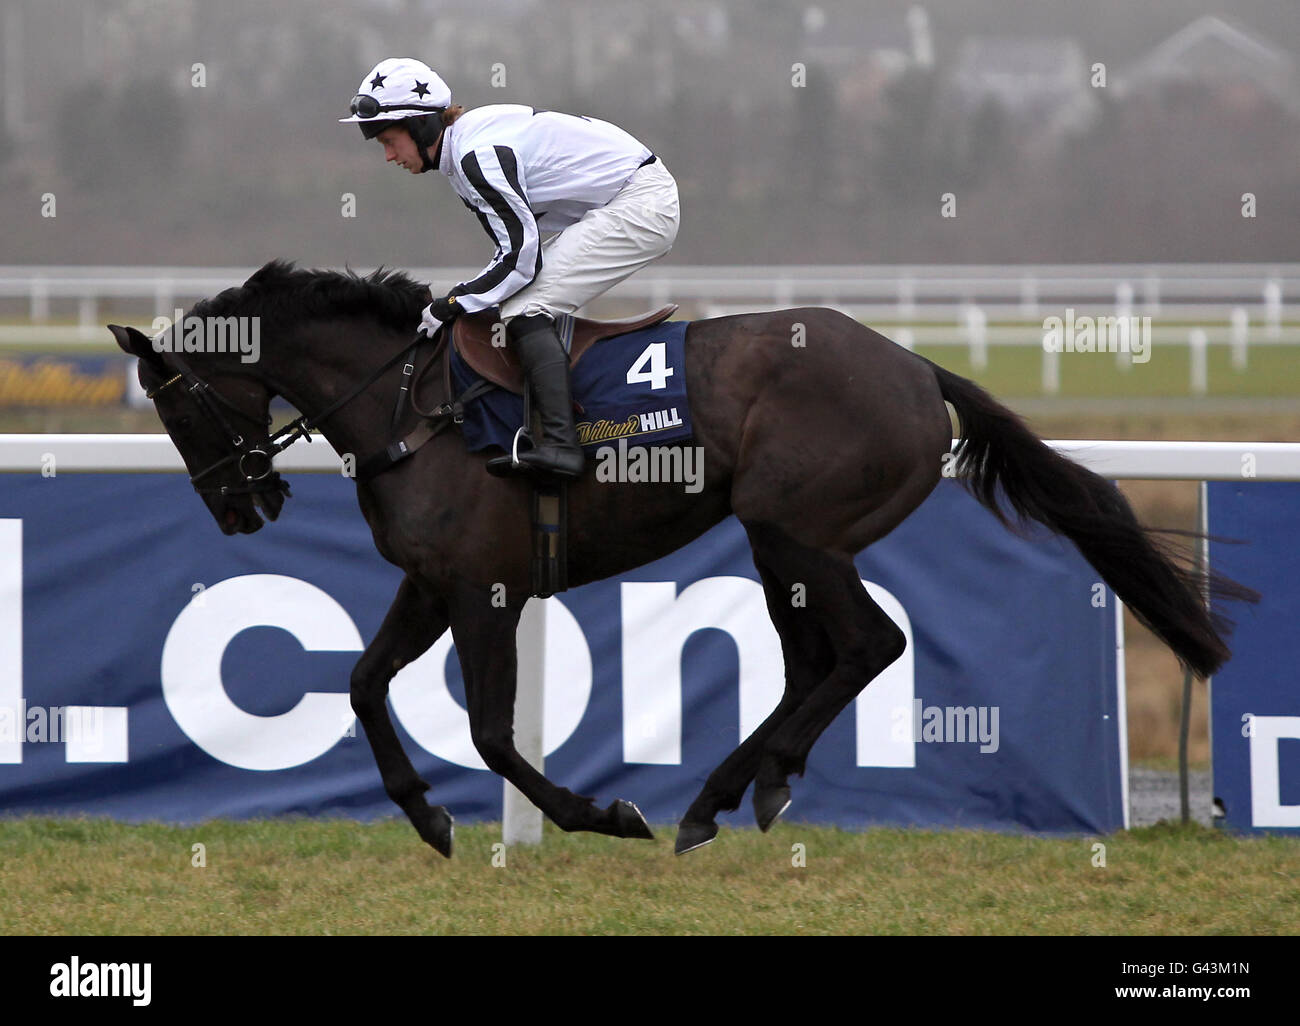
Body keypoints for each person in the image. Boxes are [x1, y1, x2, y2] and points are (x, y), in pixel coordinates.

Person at [340, 57, 680, 478]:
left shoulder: (473, 157)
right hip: (625, 196)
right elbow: (515, 253)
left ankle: (562, 446)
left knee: (524, 307)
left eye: (390, 140)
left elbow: (522, 259)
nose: (389, 155)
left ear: (422, 126)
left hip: (640, 203)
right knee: (515, 298)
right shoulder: (467, 146)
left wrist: (452, 303)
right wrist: (466, 297)